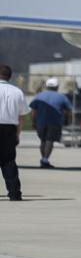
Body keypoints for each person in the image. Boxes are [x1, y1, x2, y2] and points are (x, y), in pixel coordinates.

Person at [0, 65, 30, 201]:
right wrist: (17, 134)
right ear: (10, 76)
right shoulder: (17, 92)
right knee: (8, 161)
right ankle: (14, 193)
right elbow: (21, 116)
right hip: (9, 129)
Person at [29, 78, 72, 169]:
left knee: (43, 141)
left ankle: (43, 159)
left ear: (47, 86)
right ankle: (45, 160)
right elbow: (69, 110)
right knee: (49, 141)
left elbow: (33, 110)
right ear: (57, 87)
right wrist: (67, 120)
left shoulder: (39, 96)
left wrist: (33, 121)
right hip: (54, 122)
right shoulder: (62, 97)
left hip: (40, 122)